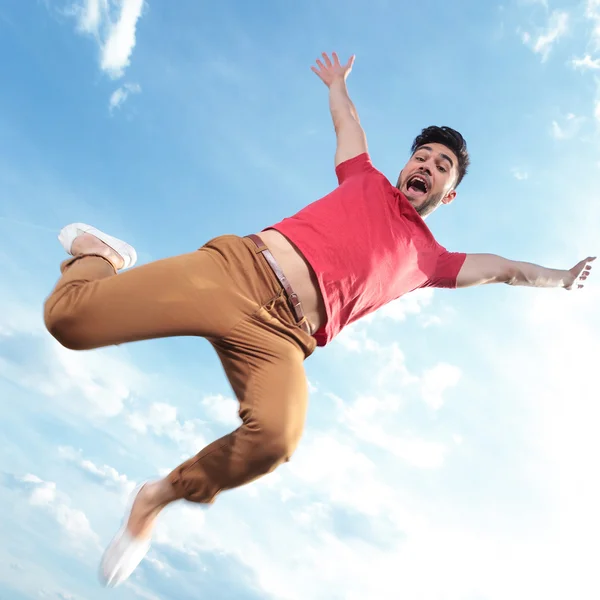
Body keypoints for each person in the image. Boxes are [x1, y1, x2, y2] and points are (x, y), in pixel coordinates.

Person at [43, 52, 594, 587]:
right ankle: (102, 255)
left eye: (442, 165)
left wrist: (561, 277)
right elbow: (347, 122)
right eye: (422, 156)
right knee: (68, 321)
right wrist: (337, 84)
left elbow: (505, 270)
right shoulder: (364, 179)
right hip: (238, 272)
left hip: (285, 338)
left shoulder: (432, 260)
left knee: (276, 439)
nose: (427, 164)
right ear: (406, 166)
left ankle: (156, 497)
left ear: (450, 195)